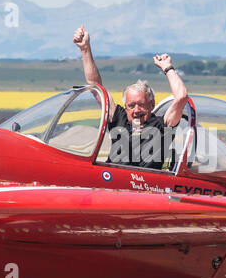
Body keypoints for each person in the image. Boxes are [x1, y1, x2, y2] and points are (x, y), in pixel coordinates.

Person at [73, 26, 188, 170]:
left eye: (141, 104)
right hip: (113, 184)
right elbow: (95, 87)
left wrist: (167, 68)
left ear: (151, 104)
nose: (136, 110)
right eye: (131, 106)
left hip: (146, 189)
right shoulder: (119, 119)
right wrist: (85, 49)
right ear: (125, 107)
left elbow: (181, 97)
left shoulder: (162, 126)